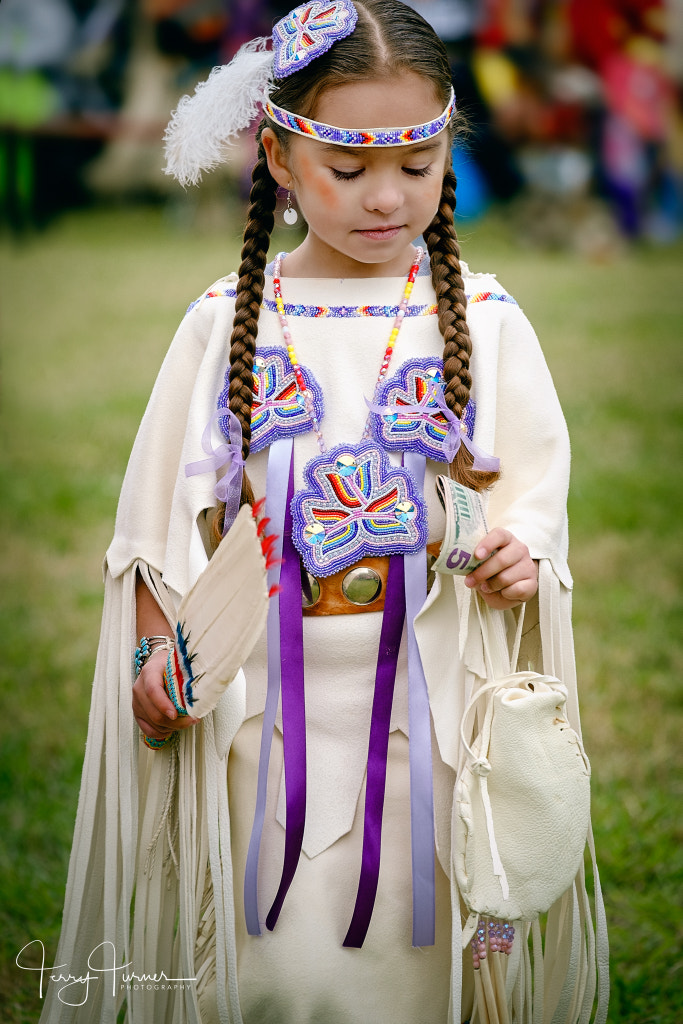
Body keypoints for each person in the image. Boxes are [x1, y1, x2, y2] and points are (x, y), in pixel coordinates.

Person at [40, 2, 608, 1022]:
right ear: (282, 157)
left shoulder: (481, 321)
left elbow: (530, 492)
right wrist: (153, 658)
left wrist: (514, 545)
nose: (386, 199)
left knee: (425, 973)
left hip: (432, 728)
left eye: (418, 165)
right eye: (349, 172)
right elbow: (153, 531)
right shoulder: (228, 321)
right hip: (264, 722)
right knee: (284, 976)